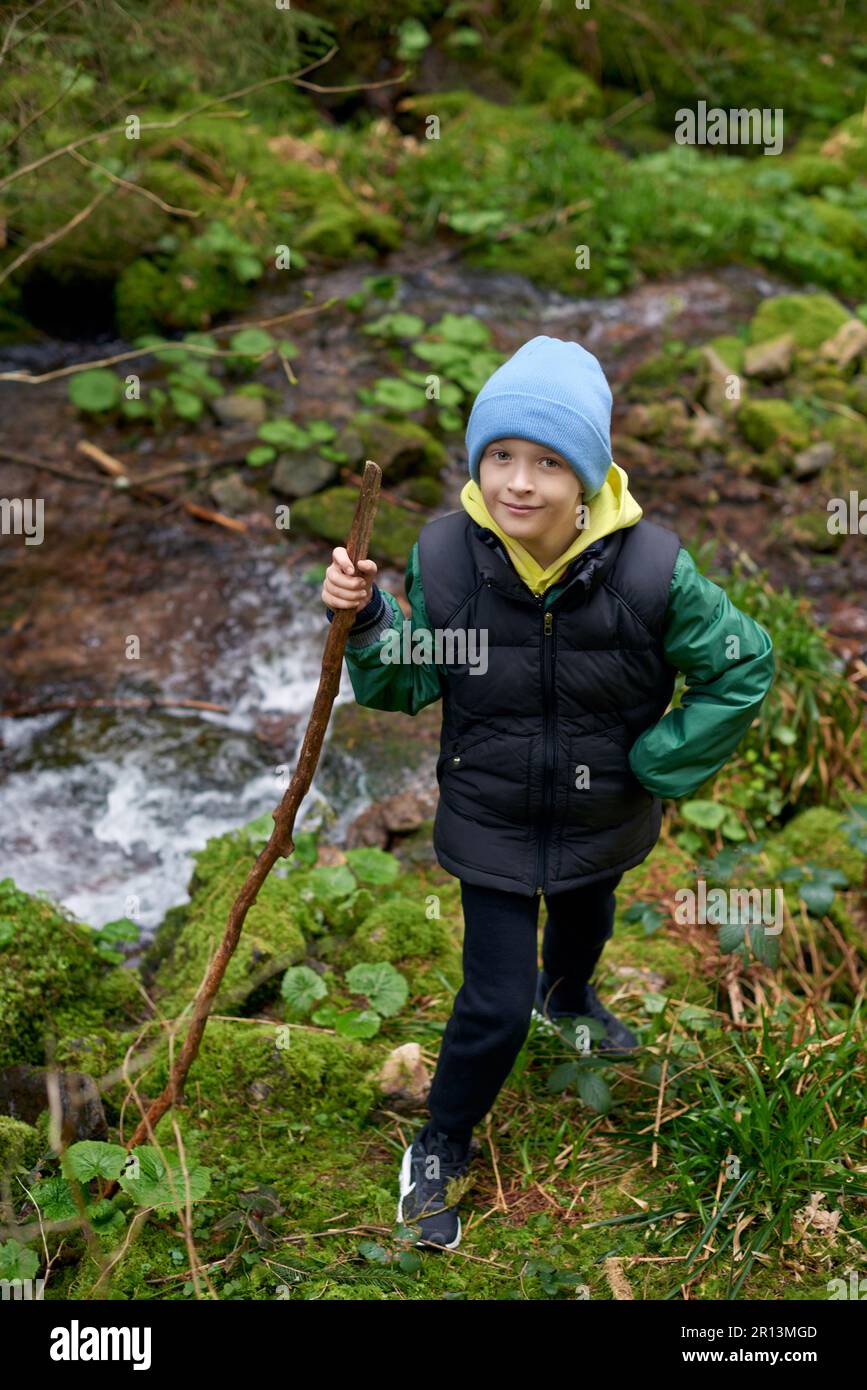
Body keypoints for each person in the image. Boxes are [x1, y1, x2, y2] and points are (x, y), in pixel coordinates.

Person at [321, 334, 775, 1252]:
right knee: (490, 1000)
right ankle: (441, 1140)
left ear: (590, 477)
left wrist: (657, 764)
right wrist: (370, 619)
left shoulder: (650, 572)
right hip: (489, 813)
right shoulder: (451, 559)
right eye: (498, 456)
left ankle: (566, 1001)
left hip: (600, 810)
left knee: (582, 922)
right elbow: (411, 680)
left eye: (547, 462)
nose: (517, 483)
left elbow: (742, 666)